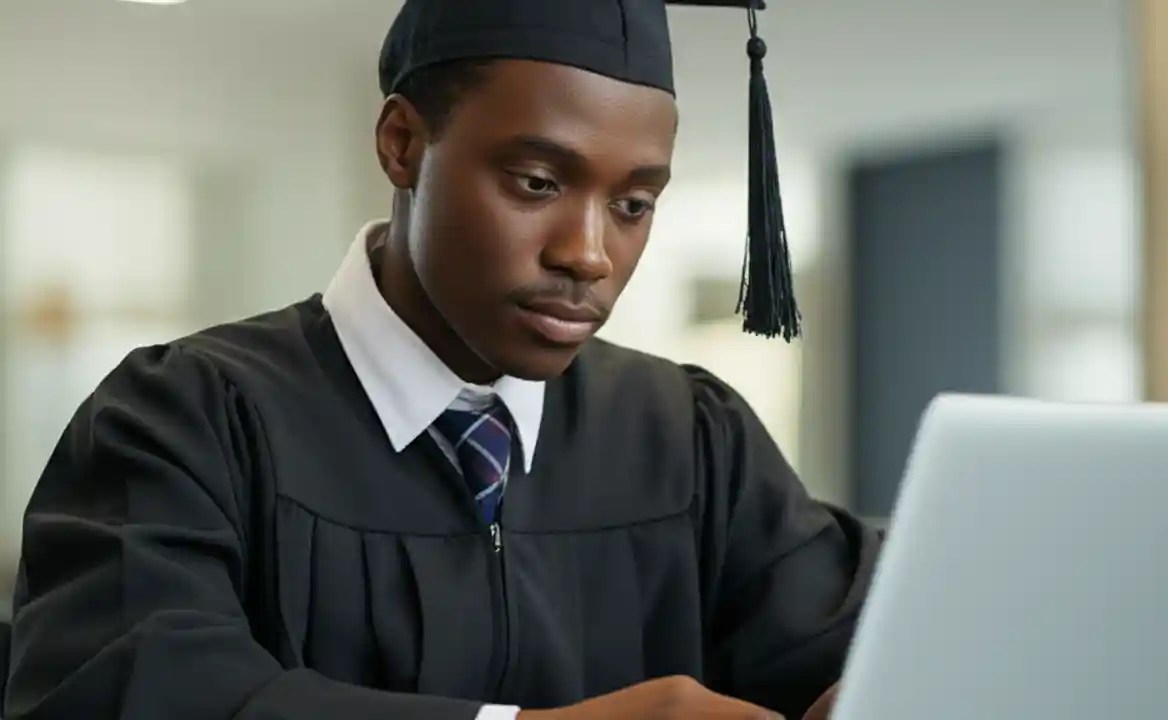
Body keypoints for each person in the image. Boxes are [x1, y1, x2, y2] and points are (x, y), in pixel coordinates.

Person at [3, 1, 879, 719]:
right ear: (402, 144)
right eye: (537, 182)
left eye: (633, 204)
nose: (588, 253)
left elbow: (859, 642)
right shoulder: (188, 420)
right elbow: (134, 692)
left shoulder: (689, 439)